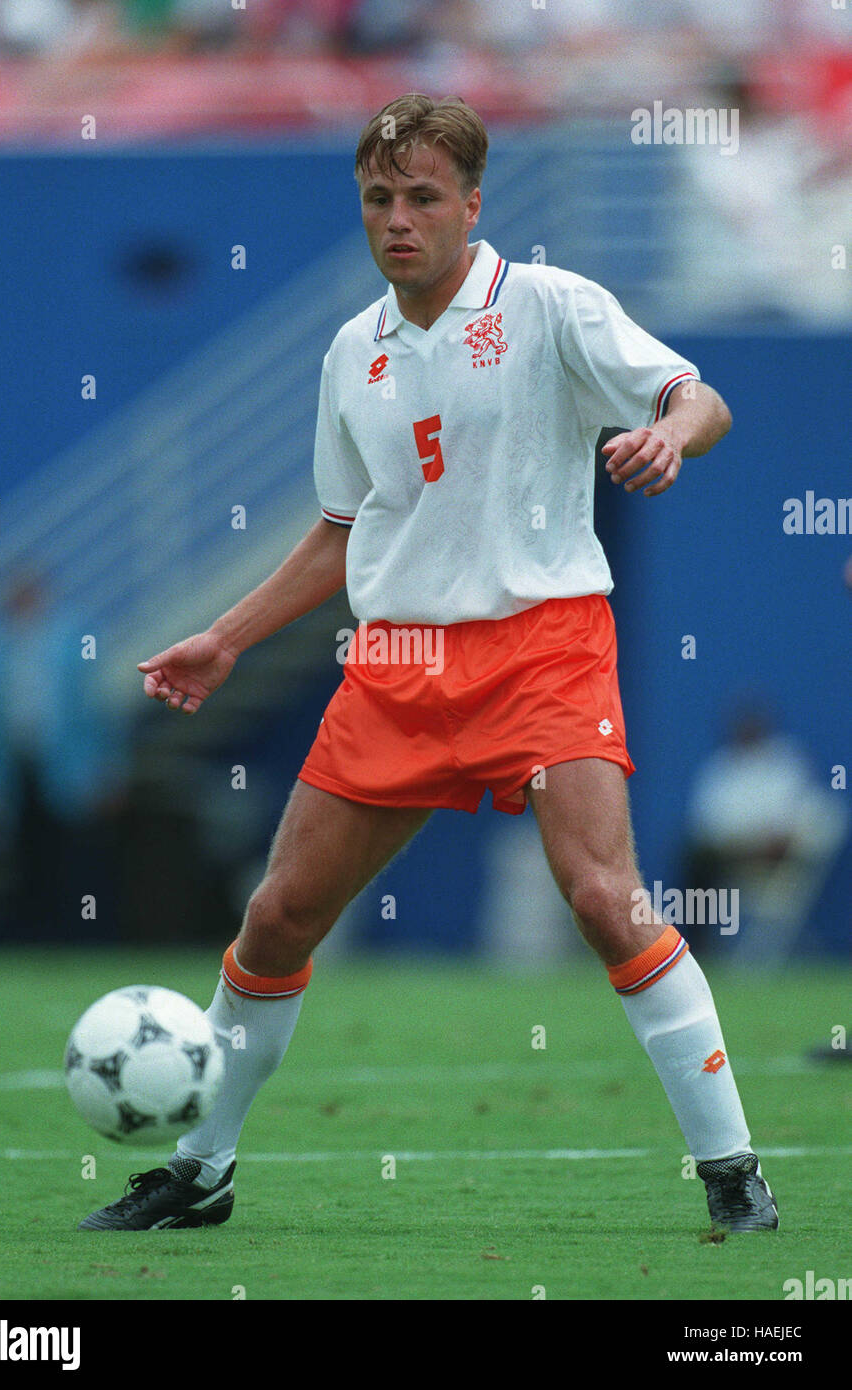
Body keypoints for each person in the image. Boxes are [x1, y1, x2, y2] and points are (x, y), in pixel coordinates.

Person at [79, 94, 777, 1234]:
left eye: (421, 197)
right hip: (396, 664)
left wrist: (665, 434)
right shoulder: (351, 351)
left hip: (544, 646)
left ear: (470, 205)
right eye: (377, 199)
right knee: (277, 916)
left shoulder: (547, 303)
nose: (397, 219)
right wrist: (228, 636)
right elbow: (344, 526)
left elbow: (699, 397)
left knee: (604, 897)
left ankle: (731, 1170)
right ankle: (198, 1168)